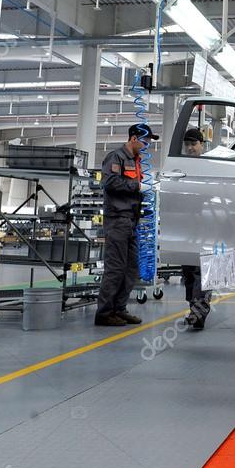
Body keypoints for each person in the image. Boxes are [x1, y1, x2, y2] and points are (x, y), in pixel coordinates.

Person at [94, 124, 158, 326]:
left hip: (132, 220)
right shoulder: (116, 157)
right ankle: (104, 313)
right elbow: (110, 182)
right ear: (133, 138)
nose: (147, 145)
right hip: (117, 219)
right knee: (115, 267)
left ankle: (119, 309)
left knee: (131, 268)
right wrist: (137, 186)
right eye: (145, 141)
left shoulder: (136, 161)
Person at [179, 127, 211, 330]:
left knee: (201, 268)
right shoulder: (180, 167)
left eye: (194, 144)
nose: (190, 148)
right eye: (187, 144)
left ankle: (198, 312)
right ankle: (193, 308)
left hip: (205, 225)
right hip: (185, 225)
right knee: (188, 270)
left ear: (202, 145)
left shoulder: (209, 166)